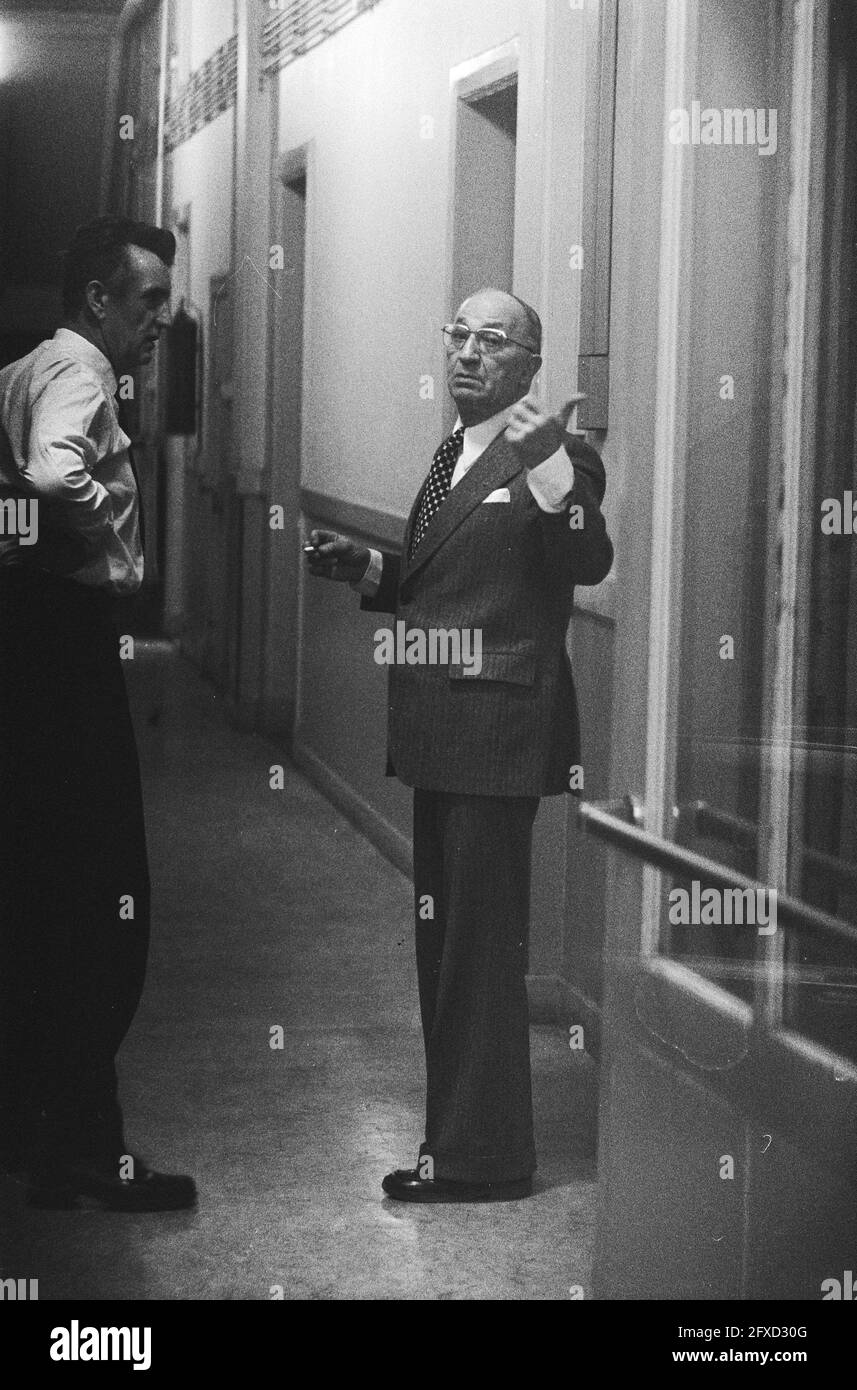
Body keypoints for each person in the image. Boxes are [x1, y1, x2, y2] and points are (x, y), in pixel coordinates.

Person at [306, 287, 613, 1201]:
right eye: (459, 335)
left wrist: (550, 465)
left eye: (494, 340)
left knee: (477, 953)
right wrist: (367, 570)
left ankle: (481, 1158)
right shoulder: (453, 450)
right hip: (444, 729)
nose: (469, 353)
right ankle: (463, 1141)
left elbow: (585, 558)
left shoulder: (556, 453)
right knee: (445, 949)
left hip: (496, 730)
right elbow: (447, 584)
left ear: (530, 363)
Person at [0, 216, 197, 1211]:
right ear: (98, 301)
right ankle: (84, 1142)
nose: (164, 317)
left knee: (44, 890)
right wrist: (104, 555)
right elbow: (47, 471)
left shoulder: (29, 365)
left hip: (30, 638)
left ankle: (45, 1127)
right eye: (150, 300)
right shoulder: (80, 373)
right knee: (103, 897)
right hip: (71, 639)